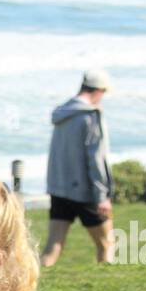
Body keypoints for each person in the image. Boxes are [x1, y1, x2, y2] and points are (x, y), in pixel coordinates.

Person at [42, 69, 114, 266]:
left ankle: (33, 286)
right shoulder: (91, 116)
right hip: (85, 191)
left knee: (53, 247)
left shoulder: (62, 113)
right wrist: (102, 196)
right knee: (107, 243)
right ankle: (107, 284)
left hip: (59, 189)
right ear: (98, 91)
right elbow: (96, 158)